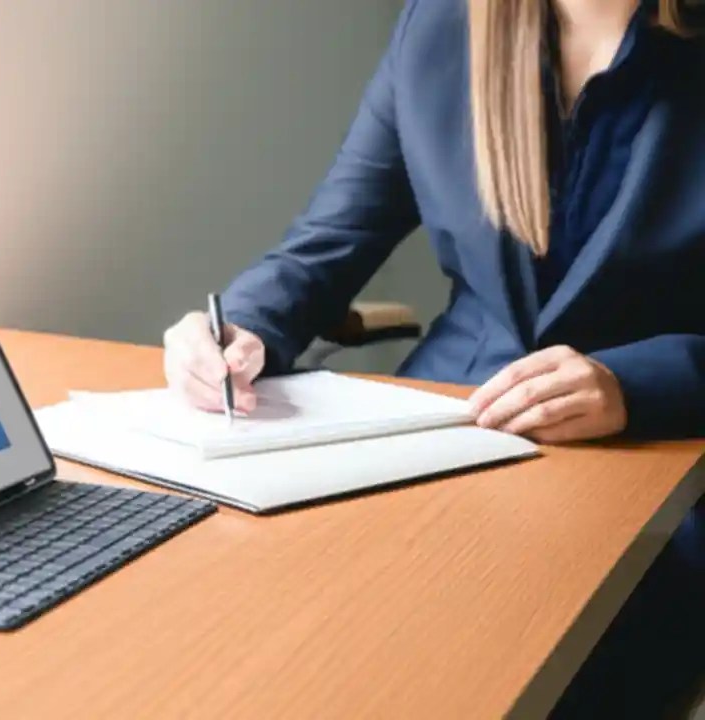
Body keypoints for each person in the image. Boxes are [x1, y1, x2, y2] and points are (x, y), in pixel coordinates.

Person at [162, 0, 704, 715]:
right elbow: (330, 239)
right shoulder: (442, 25)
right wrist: (237, 327)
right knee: (280, 635)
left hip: (662, 454)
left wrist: (634, 383)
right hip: (449, 431)